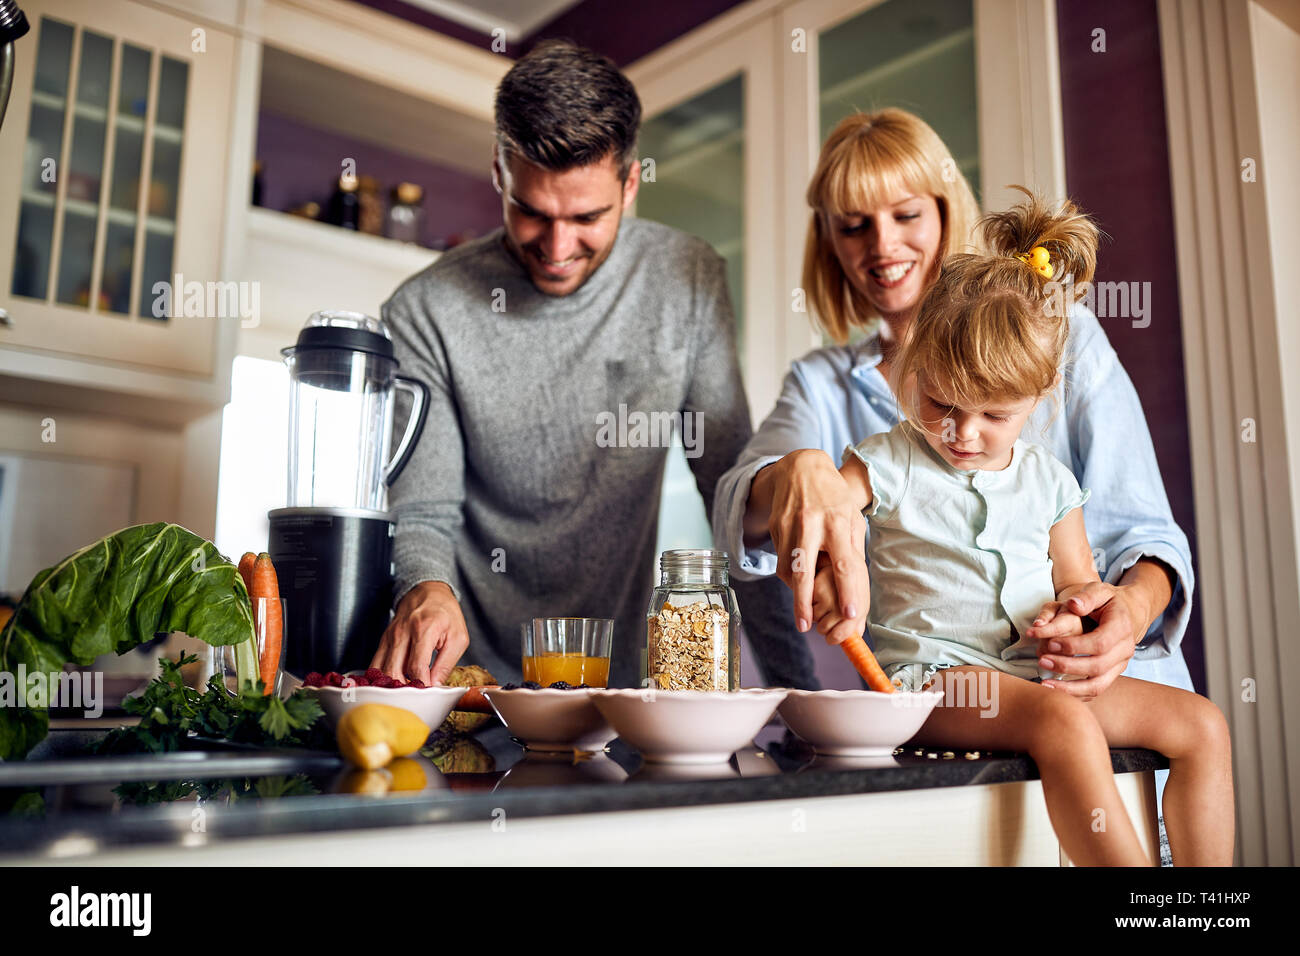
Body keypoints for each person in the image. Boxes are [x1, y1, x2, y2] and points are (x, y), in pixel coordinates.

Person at [804, 191, 1232, 866]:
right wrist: (827, 568)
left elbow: (1084, 586)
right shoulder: (884, 461)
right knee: (1059, 721)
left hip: (1035, 679)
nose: (963, 434)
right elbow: (823, 518)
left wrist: (1074, 620)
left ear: (1040, 400)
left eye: (994, 415)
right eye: (941, 404)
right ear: (916, 372)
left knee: (1202, 723)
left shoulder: (1053, 485)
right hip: (933, 682)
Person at [716, 109, 1197, 700]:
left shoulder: (1064, 334)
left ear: (946, 211)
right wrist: (794, 472)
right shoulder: (822, 385)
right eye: (853, 226)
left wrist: (1129, 609)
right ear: (830, 245)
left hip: (1101, 683)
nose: (882, 244)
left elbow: (1145, 532)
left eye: (907, 214)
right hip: (954, 702)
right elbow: (737, 509)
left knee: (1196, 732)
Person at [370, 40, 752, 687]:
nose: (556, 246)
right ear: (499, 172)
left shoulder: (687, 279)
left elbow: (735, 497)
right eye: (532, 211)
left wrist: (800, 709)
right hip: (462, 693)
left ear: (631, 185)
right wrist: (427, 588)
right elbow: (425, 512)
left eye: (586, 216)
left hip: (623, 695)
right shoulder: (424, 310)